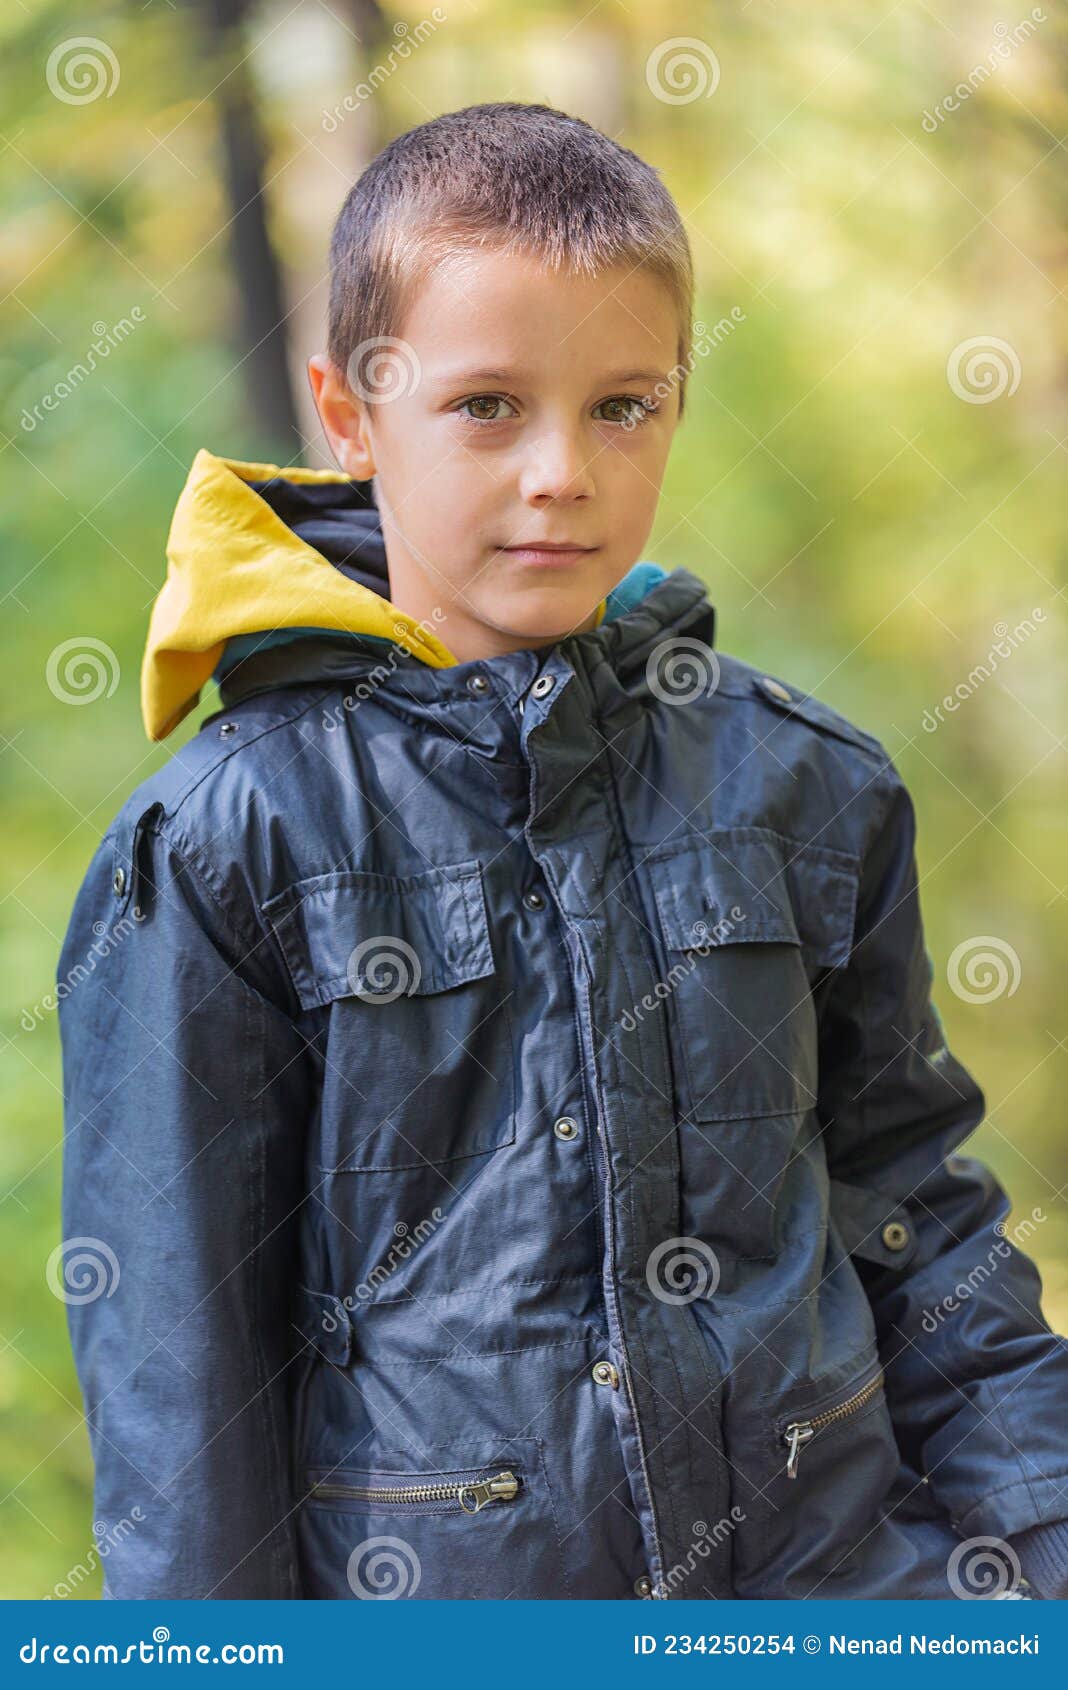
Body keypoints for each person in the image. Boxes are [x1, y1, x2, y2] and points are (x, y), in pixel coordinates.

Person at [57, 101, 1068, 1602]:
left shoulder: (803, 782)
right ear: (351, 412)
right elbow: (180, 1397)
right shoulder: (224, 847)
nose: (562, 473)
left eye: (622, 406)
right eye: (486, 406)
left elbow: (920, 1221)